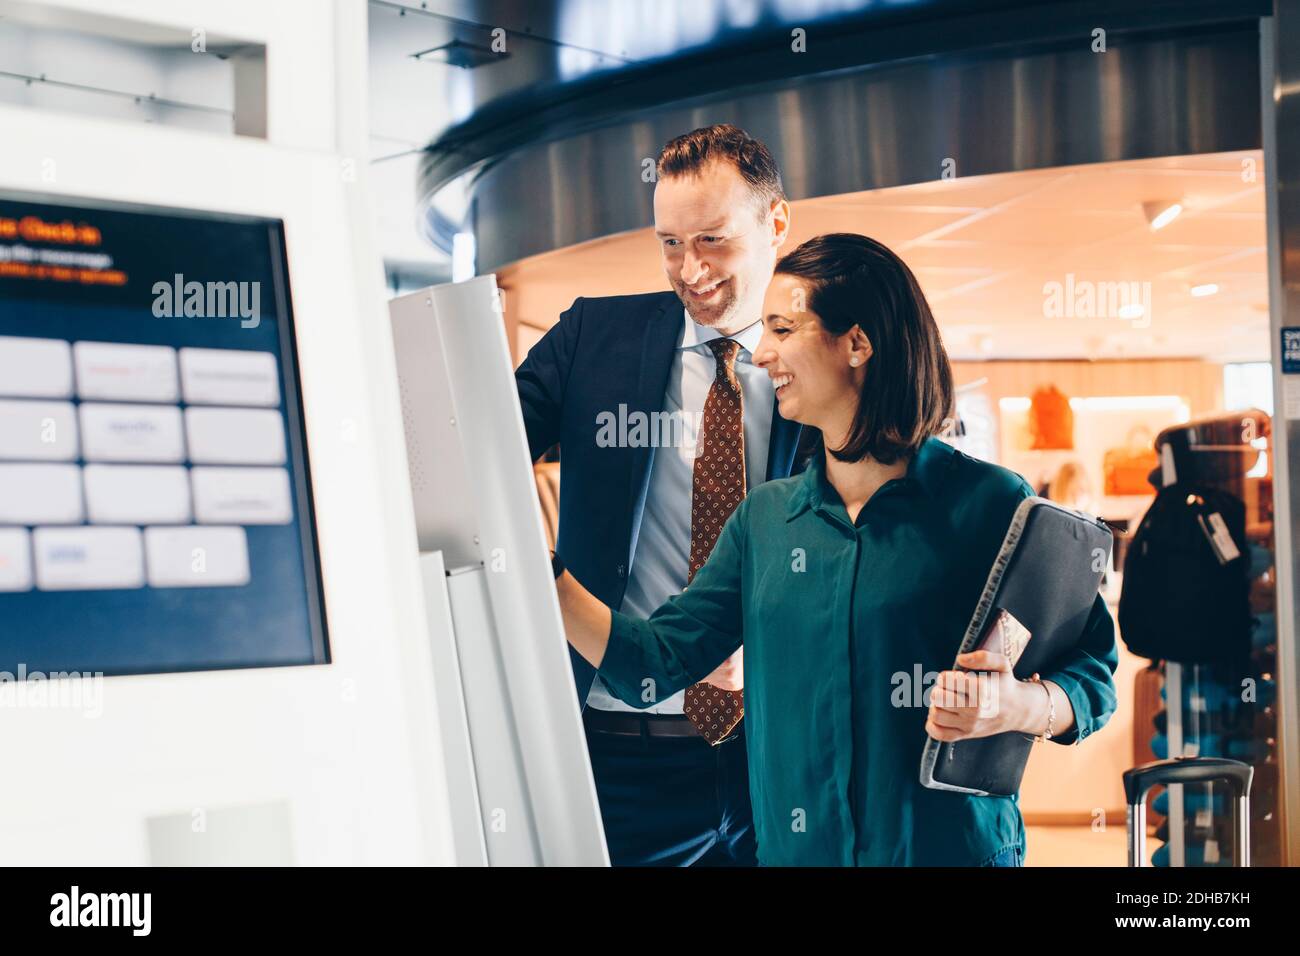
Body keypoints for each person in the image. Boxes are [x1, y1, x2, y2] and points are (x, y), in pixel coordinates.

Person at [555, 233, 1119, 866]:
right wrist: (542, 573)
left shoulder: (988, 505)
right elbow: (652, 663)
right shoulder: (764, 523)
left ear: (857, 342)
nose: (761, 352)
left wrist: (1018, 704)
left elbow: (1092, 670)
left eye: (783, 328)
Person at [515, 125, 803, 866]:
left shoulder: (821, 359)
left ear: (776, 223)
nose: (690, 269)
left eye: (711, 239)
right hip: (619, 753)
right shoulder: (592, 339)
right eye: (670, 242)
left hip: (775, 755)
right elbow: (476, 453)